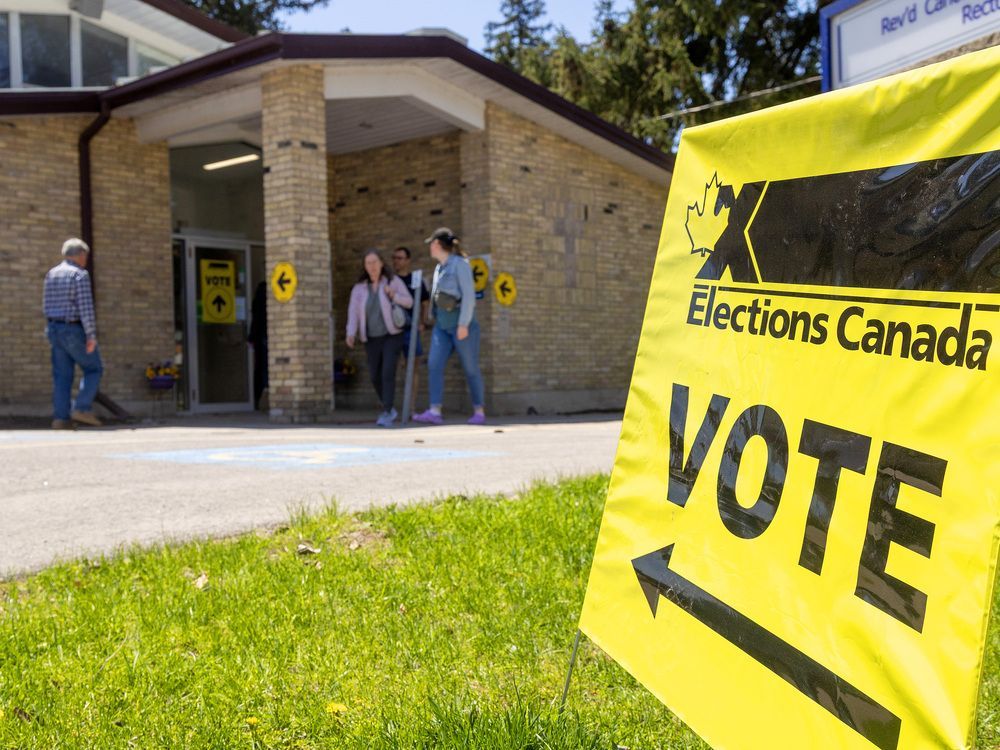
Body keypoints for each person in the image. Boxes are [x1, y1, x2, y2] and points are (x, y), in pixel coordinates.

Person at [412, 228, 486, 426]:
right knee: (434, 364)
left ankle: (479, 410)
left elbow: (469, 296)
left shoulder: (460, 265)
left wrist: (463, 324)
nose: (430, 247)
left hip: (462, 326)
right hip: (442, 327)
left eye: (432, 243)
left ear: (438, 244)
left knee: (470, 368)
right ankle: (435, 410)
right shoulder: (438, 268)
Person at [346, 249, 413, 427]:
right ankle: (389, 407)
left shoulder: (392, 281)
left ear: (382, 263)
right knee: (375, 375)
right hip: (371, 338)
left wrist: (394, 295)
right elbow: (352, 312)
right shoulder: (359, 288)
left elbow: (409, 301)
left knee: (387, 372)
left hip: (392, 335)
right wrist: (350, 333)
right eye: (368, 263)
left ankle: (387, 410)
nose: (372, 266)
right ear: (365, 266)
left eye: (375, 262)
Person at [42, 238, 103, 428]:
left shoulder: (51, 274)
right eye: (86, 256)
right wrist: (91, 335)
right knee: (94, 368)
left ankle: (61, 418)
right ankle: (82, 408)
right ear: (81, 255)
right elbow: (85, 308)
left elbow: (45, 305)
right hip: (73, 329)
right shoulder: (79, 275)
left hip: (54, 328)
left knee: (62, 375)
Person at [391, 246, 431, 413]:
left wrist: (422, 322)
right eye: (394, 258)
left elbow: (424, 302)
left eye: (400, 258)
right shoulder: (390, 281)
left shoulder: (416, 280)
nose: (396, 261)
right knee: (393, 367)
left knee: (413, 367)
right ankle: (390, 406)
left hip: (411, 329)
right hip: (393, 329)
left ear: (408, 260)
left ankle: (411, 406)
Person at [248, 281, 268, 411]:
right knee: (265, 369)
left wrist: (251, 337)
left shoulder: (258, 300)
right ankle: (264, 399)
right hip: (264, 337)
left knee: (260, 368)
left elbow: (254, 320)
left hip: (259, 338)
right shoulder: (265, 296)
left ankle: (258, 399)